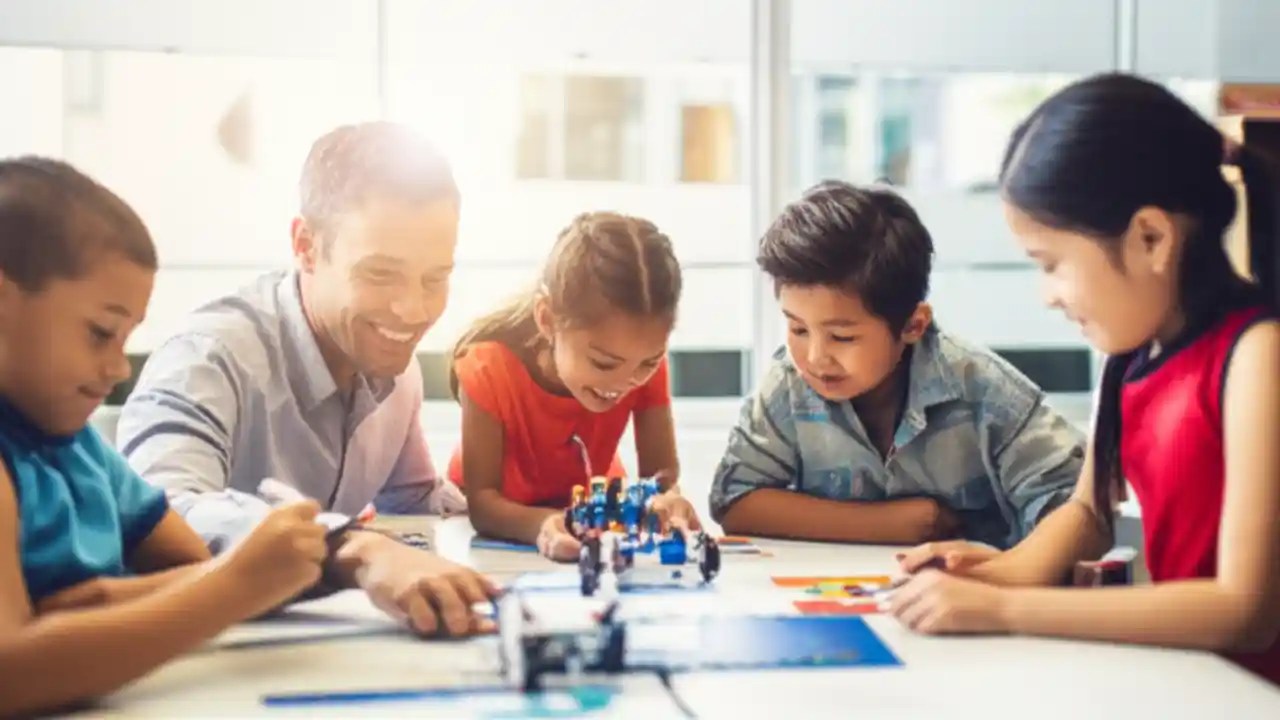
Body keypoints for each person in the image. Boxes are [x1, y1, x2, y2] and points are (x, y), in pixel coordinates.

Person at [889, 73, 1280, 686]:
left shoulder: (1258, 355)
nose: (1049, 296)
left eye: (1052, 265)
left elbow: (1245, 610)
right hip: (1198, 686)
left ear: (1151, 238)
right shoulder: (1131, 353)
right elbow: (1090, 510)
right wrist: (993, 574)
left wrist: (1006, 608)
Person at [117, 122, 494, 636]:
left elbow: (412, 499)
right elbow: (156, 512)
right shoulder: (208, 358)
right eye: (380, 274)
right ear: (306, 246)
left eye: (435, 278)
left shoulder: (389, 361)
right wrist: (351, 547)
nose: (413, 310)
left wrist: (534, 510)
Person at [0, 157, 332, 716]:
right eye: (101, 333)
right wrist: (235, 587)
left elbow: (188, 563)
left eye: (125, 337)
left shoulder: (79, 448)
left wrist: (107, 599)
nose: (117, 367)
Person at [710, 181, 1084, 549]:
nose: (814, 356)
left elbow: (1077, 507)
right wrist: (892, 524)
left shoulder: (985, 390)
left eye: (842, 337)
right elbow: (735, 500)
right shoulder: (787, 385)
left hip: (969, 596)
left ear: (912, 325)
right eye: (797, 328)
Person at [448, 211, 699, 560]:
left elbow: (660, 475)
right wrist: (548, 524)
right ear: (547, 319)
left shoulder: (639, 362)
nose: (626, 381)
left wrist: (666, 500)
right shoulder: (487, 369)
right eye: (603, 363)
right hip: (498, 525)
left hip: (584, 511)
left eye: (649, 362)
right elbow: (484, 505)